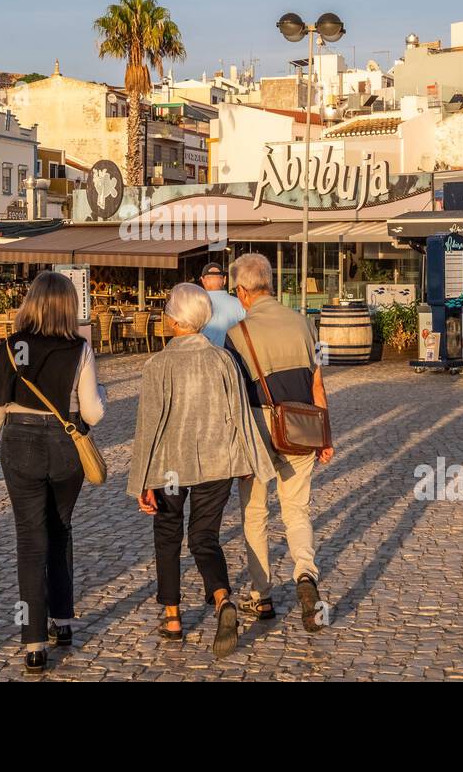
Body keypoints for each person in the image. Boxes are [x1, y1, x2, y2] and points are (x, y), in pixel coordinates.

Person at [129, 283, 275, 658]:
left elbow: (148, 427)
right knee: (204, 537)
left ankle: (173, 617)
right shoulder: (222, 360)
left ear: (175, 319)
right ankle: (223, 598)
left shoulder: (158, 364)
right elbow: (240, 414)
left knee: (167, 535)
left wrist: (140, 482)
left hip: (169, 467)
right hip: (217, 463)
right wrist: (251, 462)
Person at [0, 270, 107, 676]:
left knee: (30, 539)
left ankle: (34, 641)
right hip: (66, 445)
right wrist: (101, 392)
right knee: (61, 528)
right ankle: (63, 620)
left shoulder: (8, 348)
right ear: (69, 306)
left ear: (30, 303)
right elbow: (92, 413)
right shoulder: (79, 349)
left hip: (20, 445)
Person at [225, 252, 332, 631]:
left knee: (255, 513)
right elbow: (317, 382)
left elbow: (232, 395)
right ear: (269, 284)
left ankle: (262, 596)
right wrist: (325, 436)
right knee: (297, 510)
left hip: (257, 427)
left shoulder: (236, 335)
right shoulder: (304, 325)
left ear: (242, 290)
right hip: (301, 425)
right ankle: (305, 574)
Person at [198, 260, 245, 347]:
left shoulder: (193, 304)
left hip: (201, 356)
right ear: (224, 280)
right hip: (231, 357)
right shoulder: (240, 304)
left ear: (203, 280)